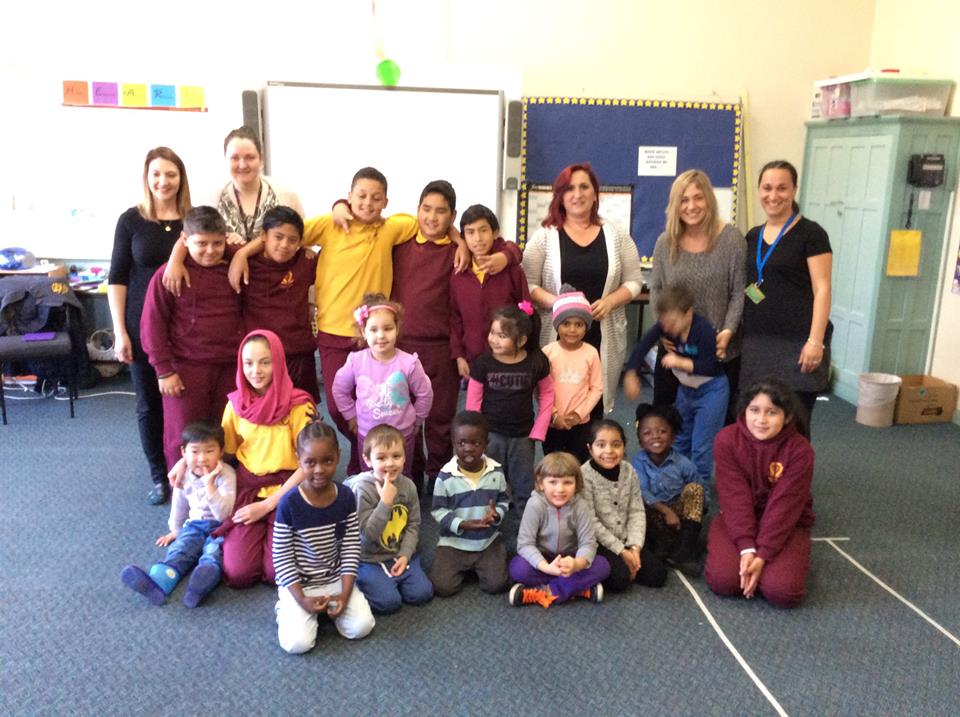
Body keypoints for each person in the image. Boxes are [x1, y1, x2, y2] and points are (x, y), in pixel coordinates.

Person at [228, 167, 465, 475]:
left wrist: (460, 241)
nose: (367, 203)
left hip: (375, 337)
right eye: (361, 196)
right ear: (349, 195)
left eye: (376, 198)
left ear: (385, 202)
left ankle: (388, 467)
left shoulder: (394, 227)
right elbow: (285, 231)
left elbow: (437, 224)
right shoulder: (331, 223)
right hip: (333, 333)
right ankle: (365, 458)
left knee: (387, 406)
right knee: (341, 409)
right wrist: (241, 254)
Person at [393, 182, 520, 491]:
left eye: (441, 212)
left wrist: (466, 243)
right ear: (417, 209)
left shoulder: (458, 252)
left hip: (440, 349)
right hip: (402, 347)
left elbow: (507, 247)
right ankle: (409, 479)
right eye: (426, 209)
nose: (432, 218)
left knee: (439, 417)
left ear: (451, 217)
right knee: (404, 418)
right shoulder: (400, 243)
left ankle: (438, 479)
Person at [522, 162, 644, 414]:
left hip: (603, 338)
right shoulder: (545, 236)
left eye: (584, 187)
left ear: (595, 193)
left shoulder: (615, 234)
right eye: (569, 189)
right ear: (560, 196)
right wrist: (559, 305)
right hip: (557, 340)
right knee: (557, 407)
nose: (577, 194)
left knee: (594, 410)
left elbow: (634, 281)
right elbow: (528, 284)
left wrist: (611, 301)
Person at [108, 147, 192, 505]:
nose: (163, 181)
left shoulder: (193, 219)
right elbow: (117, 277)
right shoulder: (131, 220)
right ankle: (160, 476)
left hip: (186, 328)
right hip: (141, 327)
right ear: (147, 177)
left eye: (170, 174)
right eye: (156, 174)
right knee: (149, 405)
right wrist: (119, 331)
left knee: (184, 405)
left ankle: (190, 471)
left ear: (181, 178)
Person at [140, 206, 243, 474]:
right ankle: (183, 494)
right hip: (185, 369)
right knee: (183, 433)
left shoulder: (234, 265)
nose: (210, 250)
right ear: (185, 241)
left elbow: (247, 249)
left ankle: (224, 488)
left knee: (228, 431)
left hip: (230, 367)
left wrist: (238, 252)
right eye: (201, 244)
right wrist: (164, 370)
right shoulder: (170, 274)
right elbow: (152, 325)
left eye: (217, 243)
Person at [217, 330, 315, 588]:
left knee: (277, 575)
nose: (255, 370)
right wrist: (186, 461)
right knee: (238, 574)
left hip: (290, 489)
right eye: (248, 363)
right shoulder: (235, 405)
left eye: (265, 362)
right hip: (249, 488)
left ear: (279, 362)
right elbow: (224, 452)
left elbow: (309, 465)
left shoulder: (299, 405)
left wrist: (269, 505)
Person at [705, 380, 815, 608]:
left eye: (772, 412)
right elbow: (735, 498)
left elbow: (785, 507)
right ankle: (746, 554)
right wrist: (746, 547)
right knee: (723, 581)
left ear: (787, 417)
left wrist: (763, 554)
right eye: (754, 410)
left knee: (782, 591)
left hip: (786, 522)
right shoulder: (726, 440)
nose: (761, 420)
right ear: (744, 411)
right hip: (740, 518)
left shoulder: (800, 450)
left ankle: (773, 562)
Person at [740, 160, 832, 430]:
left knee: (794, 425)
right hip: (757, 345)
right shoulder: (753, 236)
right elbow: (753, 284)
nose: (773, 195)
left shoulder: (812, 234)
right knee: (757, 424)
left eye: (782, 188)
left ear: (794, 190)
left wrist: (815, 341)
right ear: (759, 190)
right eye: (767, 188)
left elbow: (823, 289)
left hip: (797, 345)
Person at [647, 169, 746, 419]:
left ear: (709, 200)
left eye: (698, 198)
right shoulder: (664, 242)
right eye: (684, 199)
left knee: (717, 430)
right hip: (675, 350)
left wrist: (728, 331)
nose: (692, 206)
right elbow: (656, 289)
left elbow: (738, 293)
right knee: (667, 423)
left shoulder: (731, 240)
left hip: (719, 352)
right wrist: (663, 327)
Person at [273, 419, 375, 654]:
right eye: (310, 462)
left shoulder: (346, 496)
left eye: (327, 461)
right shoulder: (289, 504)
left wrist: (345, 592)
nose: (319, 469)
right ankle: (287, 607)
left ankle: (326, 610)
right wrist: (300, 599)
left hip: (334, 579)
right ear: (299, 460)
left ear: (338, 457)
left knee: (362, 627)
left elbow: (350, 546)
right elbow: (282, 558)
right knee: (297, 645)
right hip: (301, 583)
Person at [120, 420, 236, 607]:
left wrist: (210, 486)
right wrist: (175, 530)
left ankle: (199, 587)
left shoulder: (227, 475)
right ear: (183, 453)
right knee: (179, 551)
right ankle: (158, 585)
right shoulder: (184, 474)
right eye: (195, 451)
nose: (202, 458)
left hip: (221, 527)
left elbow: (224, 514)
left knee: (213, 553)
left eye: (209, 451)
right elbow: (179, 504)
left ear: (221, 452)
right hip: (194, 524)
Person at [624, 285, 728, 488]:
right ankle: (677, 484)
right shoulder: (666, 326)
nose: (668, 328)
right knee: (679, 439)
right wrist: (631, 372)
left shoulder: (703, 330)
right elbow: (643, 345)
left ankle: (699, 494)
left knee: (701, 446)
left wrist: (680, 363)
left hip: (711, 390)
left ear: (688, 313)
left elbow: (710, 365)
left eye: (672, 322)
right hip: (686, 391)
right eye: (664, 323)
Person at [332, 294, 433, 478]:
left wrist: (417, 420)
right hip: (368, 437)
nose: (381, 335)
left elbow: (425, 393)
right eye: (373, 329)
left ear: (397, 329)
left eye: (388, 328)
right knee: (370, 479)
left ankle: (402, 505)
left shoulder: (409, 363)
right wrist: (350, 415)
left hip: (402, 436)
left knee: (402, 477)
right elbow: (339, 388)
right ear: (363, 332)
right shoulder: (356, 361)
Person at [465, 303, 554, 511]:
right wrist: (476, 433)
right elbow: (473, 401)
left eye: (502, 335)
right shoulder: (483, 363)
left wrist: (539, 429)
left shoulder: (536, 362)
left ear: (521, 340)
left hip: (523, 436)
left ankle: (525, 529)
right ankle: (490, 524)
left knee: (523, 484)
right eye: (492, 333)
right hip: (491, 434)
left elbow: (547, 394)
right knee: (491, 482)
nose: (493, 339)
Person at [344, 425, 433, 614]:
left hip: (397, 552)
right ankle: (357, 578)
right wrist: (385, 502)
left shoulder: (408, 486)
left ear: (404, 457)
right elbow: (367, 535)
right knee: (389, 603)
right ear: (367, 460)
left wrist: (405, 554)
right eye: (381, 458)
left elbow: (413, 524)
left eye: (396, 456)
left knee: (422, 594)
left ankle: (395, 572)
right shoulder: (363, 489)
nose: (390, 463)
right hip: (369, 557)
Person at [508, 452, 610, 608]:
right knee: (518, 568)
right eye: (553, 482)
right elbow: (524, 544)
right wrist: (545, 566)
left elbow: (588, 543)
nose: (560, 489)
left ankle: (542, 593)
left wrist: (576, 564)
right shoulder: (535, 504)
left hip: (571, 560)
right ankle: (577, 589)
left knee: (602, 565)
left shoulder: (581, 506)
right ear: (541, 484)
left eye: (567, 482)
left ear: (577, 484)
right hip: (543, 559)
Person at [239, 206, 319, 402]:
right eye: (278, 237)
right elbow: (198, 238)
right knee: (264, 416)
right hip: (261, 357)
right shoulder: (247, 262)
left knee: (303, 413)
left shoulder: (306, 261)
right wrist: (240, 255)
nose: (285, 245)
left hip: (299, 353)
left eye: (293, 240)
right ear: (263, 236)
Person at [429, 411, 510, 597]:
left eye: (476, 443)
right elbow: (438, 510)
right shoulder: (445, 476)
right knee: (442, 587)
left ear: (486, 445)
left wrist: (496, 514)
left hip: (486, 540)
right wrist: (462, 524)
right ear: (453, 443)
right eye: (462, 443)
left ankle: (489, 560)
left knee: (497, 585)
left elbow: (504, 501)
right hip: (454, 542)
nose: (468, 448)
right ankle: (470, 566)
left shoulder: (496, 471)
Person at [581, 419, 667, 591]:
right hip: (600, 543)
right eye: (601, 445)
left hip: (627, 538)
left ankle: (629, 563)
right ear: (590, 449)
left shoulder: (629, 471)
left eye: (616, 444)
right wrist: (621, 551)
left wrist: (635, 548)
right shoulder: (584, 476)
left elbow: (637, 511)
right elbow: (591, 523)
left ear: (624, 446)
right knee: (619, 580)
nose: (609, 451)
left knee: (658, 575)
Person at [449, 203, 531, 378]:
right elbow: (455, 319)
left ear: (495, 232)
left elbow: (525, 311)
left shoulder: (511, 269)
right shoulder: (458, 274)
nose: (478, 238)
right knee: (470, 405)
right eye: (470, 232)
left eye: (483, 230)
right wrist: (458, 356)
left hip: (509, 362)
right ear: (463, 238)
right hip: (472, 363)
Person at [631, 404, 704, 573]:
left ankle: (684, 550)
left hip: (678, 511)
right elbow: (643, 491)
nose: (655, 437)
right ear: (640, 441)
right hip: (654, 512)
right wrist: (665, 511)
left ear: (673, 438)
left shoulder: (683, 463)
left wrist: (692, 514)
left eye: (662, 431)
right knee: (636, 496)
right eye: (647, 433)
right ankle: (663, 544)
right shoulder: (638, 462)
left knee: (695, 489)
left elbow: (700, 491)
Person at [541, 285, 603, 464]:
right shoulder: (547, 352)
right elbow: (541, 389)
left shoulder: (591, 352)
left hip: (581, 423)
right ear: (557, 325)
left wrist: (579, 414)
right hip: (552, 422)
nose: (572, 329)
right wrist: (554, 415)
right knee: (553, 462)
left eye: (579, 324)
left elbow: (597, 388)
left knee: (579, 463)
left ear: (586, 327)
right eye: (566, 323)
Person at [214, 126, 304, 243]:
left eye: (250, 157)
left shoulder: (286, 195)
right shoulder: (212, 200)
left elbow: (303, 241)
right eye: (234, 158)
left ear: (261, 159)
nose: (242, 165)